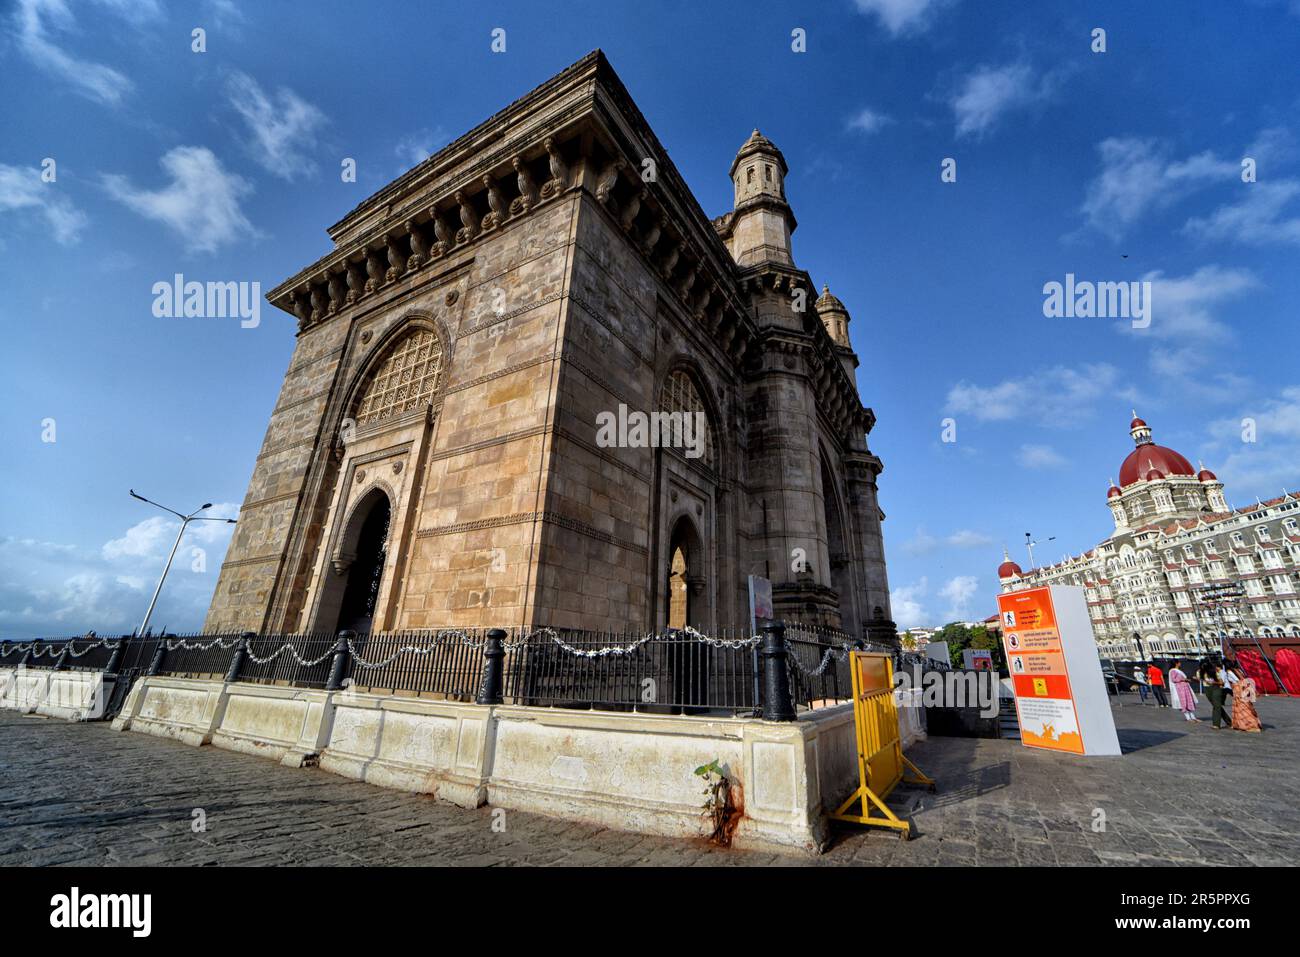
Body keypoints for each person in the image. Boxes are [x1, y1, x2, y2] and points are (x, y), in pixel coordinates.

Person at [1229, 666, 1262, 733]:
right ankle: (1244, 724)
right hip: (1239, 690)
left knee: (1244, 707)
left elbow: (1242, 679)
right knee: (1243, 707)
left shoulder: (1235, 670)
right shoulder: (1233, 670)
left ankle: (1248, 725)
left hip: (1240, 690)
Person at [1199, 657, 1229, 729]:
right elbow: (1201, 679)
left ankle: (1216, 724)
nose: (1203, 667)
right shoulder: (1200, 672)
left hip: (1216, 688)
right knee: (1217, 706)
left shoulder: (1214, 672)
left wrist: (1214, 682)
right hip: (1207, 689)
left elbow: (1222, 682)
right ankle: (1229, 721)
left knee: (1216, 706)